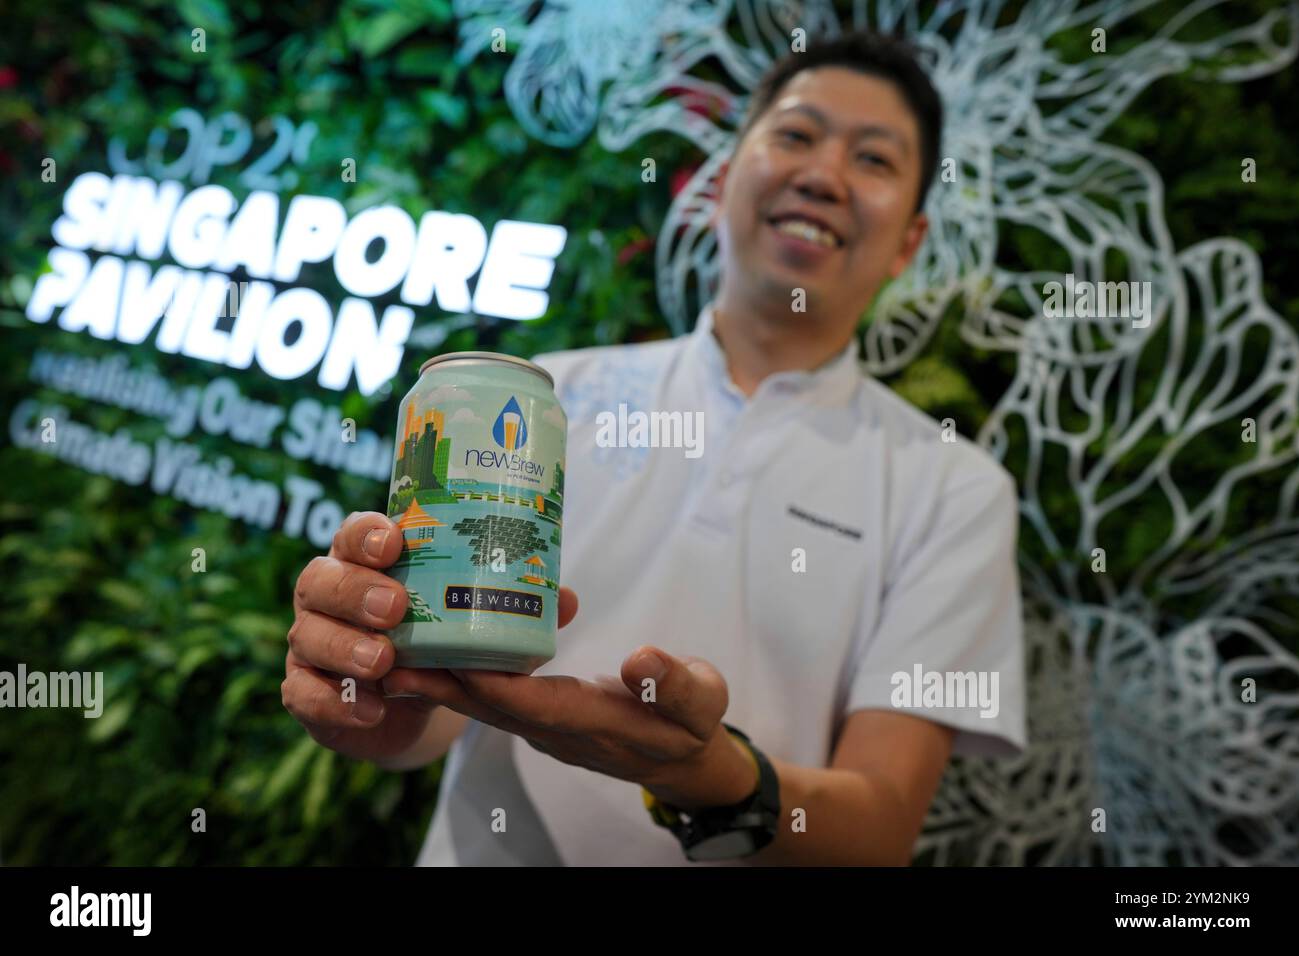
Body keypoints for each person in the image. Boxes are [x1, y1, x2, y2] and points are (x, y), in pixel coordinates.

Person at [282, 30, 1026, 866]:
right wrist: (372, 690)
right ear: (719, 182)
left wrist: (713, 778)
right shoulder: (553, 398)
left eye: (875, 160)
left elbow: (880, 829)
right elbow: (427, 718)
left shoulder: (954, 488)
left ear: (909, 244)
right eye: (794, 135)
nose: (822, 175)